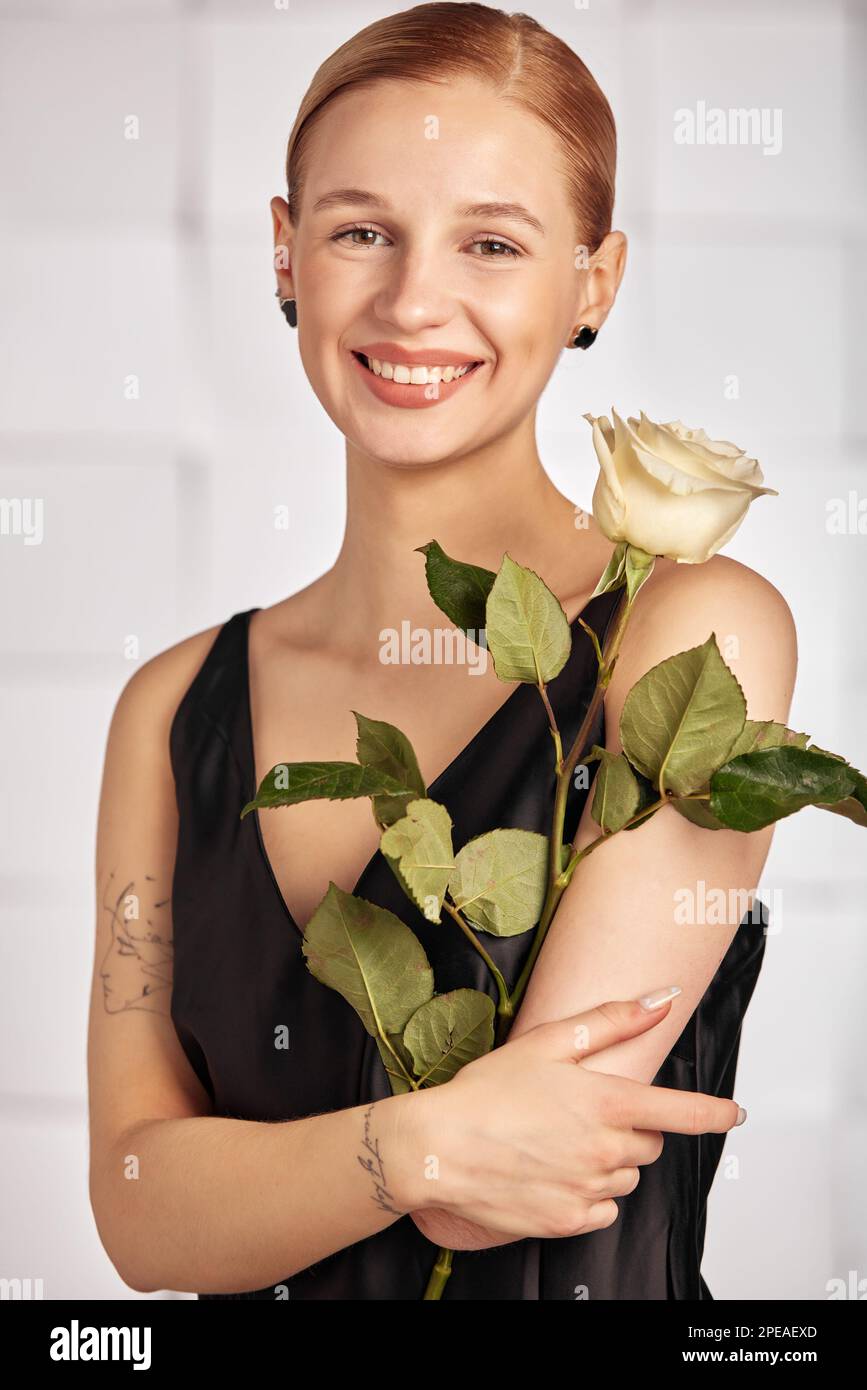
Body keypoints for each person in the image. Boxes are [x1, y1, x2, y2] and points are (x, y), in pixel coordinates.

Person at [88, 1, 797, 1300]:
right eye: (361, 230)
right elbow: (138, 1214)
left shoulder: (694, 632)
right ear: (286, 251)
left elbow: (519, 1186)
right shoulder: (171, 707)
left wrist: (294, 1171)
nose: (415, 300)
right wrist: (416, 1143)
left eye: (490, 242)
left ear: (596, 279)